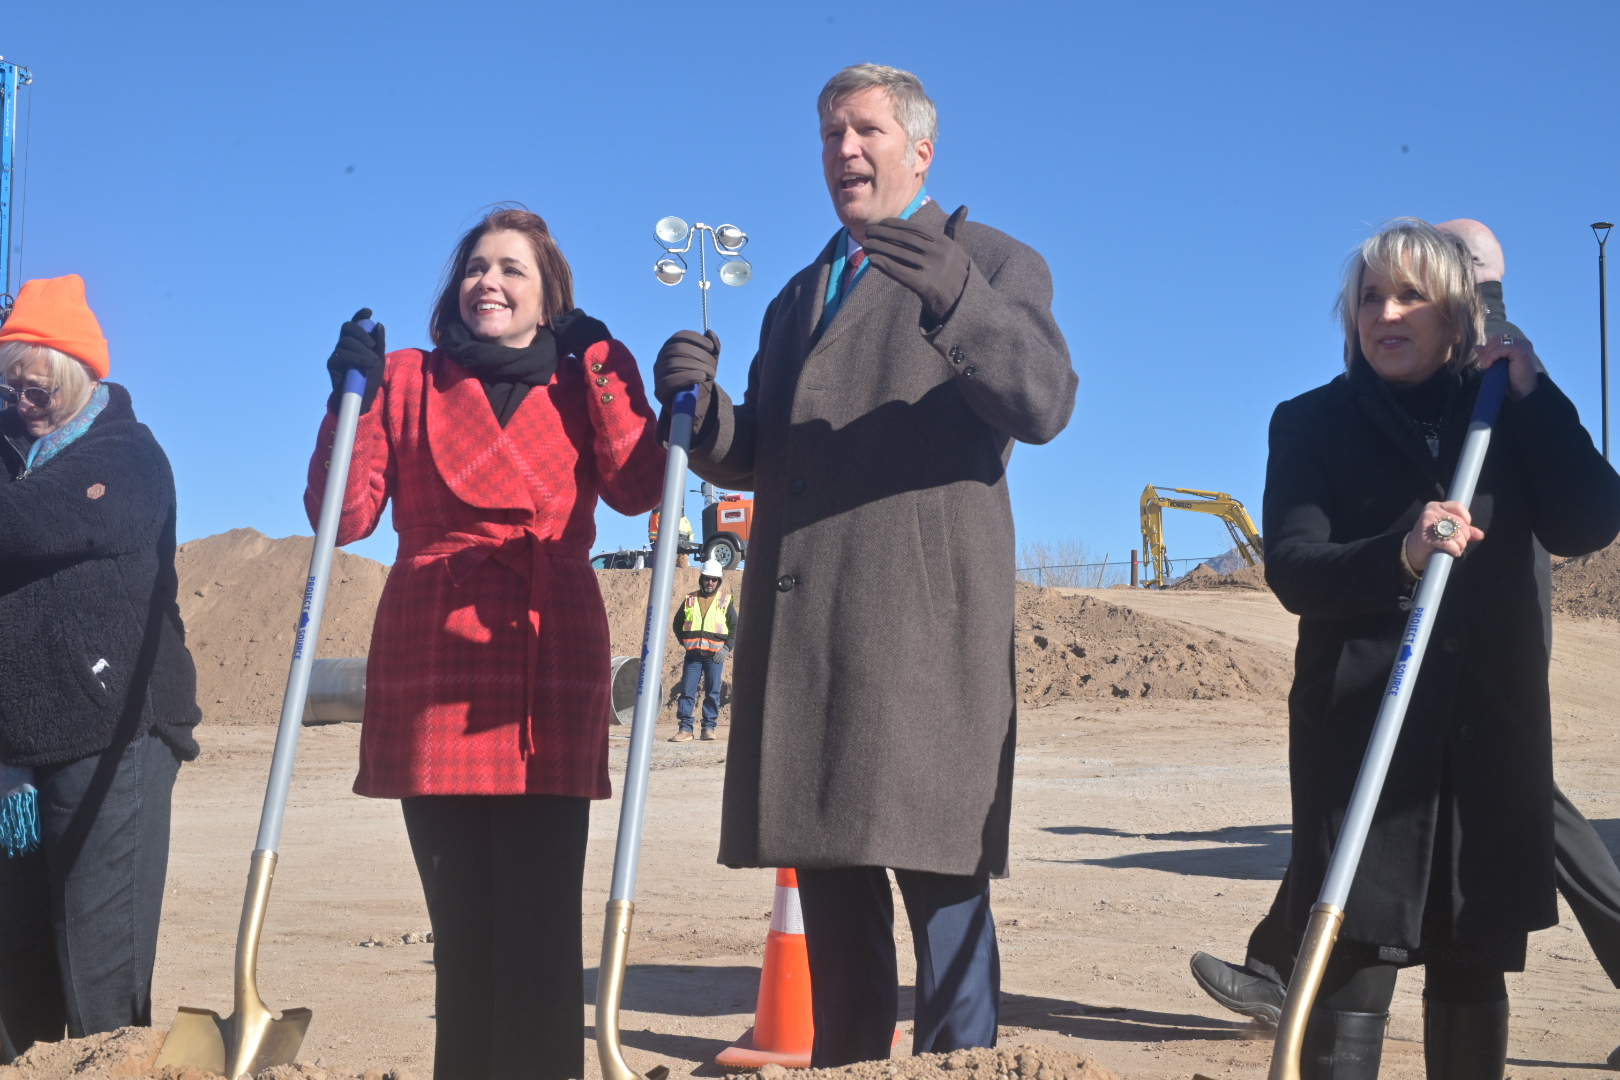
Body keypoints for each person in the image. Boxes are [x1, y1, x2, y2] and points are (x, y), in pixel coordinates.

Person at [652, 64, 1076, 1066]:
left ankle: (961, 1065)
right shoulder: (800, 294)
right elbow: (766, 450)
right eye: (830, 133)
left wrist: (959, 300)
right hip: (809, 636)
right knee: (836, 915)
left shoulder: (997, 261)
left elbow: (1046, 404)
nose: (845, 149)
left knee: (942, 893)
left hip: (920, 632)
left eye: (867, 131)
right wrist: (704, 417)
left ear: (920, 151)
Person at [1191, 221, 1620, 1041]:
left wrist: (1539, 396)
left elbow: (1591, 521)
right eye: (1369, 297)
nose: (1385, 313)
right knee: (1352, 967)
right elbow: (1293, 567)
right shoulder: (1312, 422)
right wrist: (1401, 554)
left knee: (1472, 968)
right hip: (1361, 736)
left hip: (1487, 740)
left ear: (1458, 314)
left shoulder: (1510, 414)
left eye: (1411, 295)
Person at [306, 207, 664, 1080]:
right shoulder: (403, 378)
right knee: (462, 926)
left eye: (512, 270)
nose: (488, 283)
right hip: (439, 647)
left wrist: (610, 363)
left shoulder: (582, 384)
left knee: (543, 924)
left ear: (550, 300)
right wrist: (342, 404)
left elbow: (640, 485)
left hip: (549, 648)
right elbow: (342, 518)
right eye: (475, 267)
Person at [0, 275, 200, 1061]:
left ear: (80, 374)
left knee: (99, 980)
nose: (23, 403)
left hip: (114, 735)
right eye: (9, 386)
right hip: (14, 755)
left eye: (37, 386)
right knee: (15, 984)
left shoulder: (129, 456)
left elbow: (31, 523)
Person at [670, 558, 736, 742]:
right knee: (687, 692)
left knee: (713, 692)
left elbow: (735, 628)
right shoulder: (690, 599)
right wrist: (685, 642)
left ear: (719, 581)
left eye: (714, 579)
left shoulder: (725, 601)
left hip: (715, 656)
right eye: (707, 578)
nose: (710, 582)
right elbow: (677, 623)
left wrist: (726, 649)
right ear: (702, 578)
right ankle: (685, 729)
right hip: (693, 656)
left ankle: (708, 727)